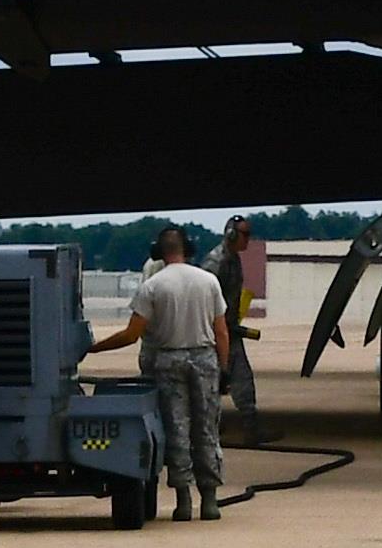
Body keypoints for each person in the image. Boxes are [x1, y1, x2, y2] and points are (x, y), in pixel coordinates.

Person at [88, 224, 229, 520]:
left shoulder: (152, 287)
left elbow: (131, 335)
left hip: (168, 361)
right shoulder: (209, 281)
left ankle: (184, 501)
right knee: (207, 429)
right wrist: (224, 368)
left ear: (158, 252)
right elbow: (221, 332)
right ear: (187, 248)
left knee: (177, 429)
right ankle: (211, 500)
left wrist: (93, 348)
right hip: (205, 359)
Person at [213, 215, 269, 434]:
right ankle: (212, 427)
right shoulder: (216, 263)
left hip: (228, 330)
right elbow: (206, 300)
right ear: (232, 234)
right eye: (245, 234)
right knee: (212, 382)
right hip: (216, 332)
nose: (248, 239)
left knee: (242, 379)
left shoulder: (233, 258)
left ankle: (251, 428)